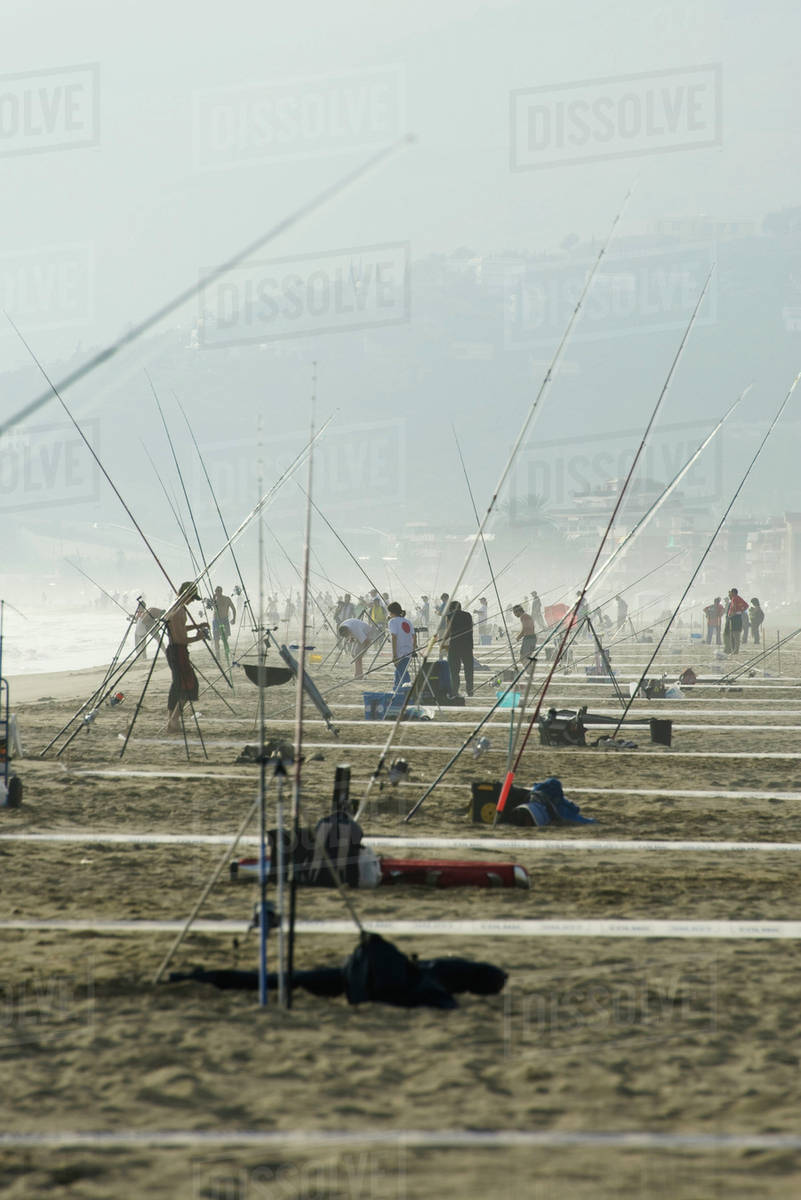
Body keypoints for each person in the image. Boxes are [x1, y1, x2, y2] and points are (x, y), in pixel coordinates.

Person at [166, 582, 208, 732]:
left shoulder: (176, 607)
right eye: (191, 597)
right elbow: (181, 639)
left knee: (177, 685)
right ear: (186, 594)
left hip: (174, 650)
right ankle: (174, 719)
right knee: (189, 685)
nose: (192, 601)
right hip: (178, 651)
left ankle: (171, 720)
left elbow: (179, 629)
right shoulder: (179, 611)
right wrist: (198, 638)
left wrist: (197, 626)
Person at [442, 600, 474, 697]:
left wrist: (442, 641)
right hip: (467, 645)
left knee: (454, 670)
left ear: (451, 608)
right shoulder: (468, 615)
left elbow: (448, 632)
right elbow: (471, 628)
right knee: (468, 669)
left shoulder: (449, 616)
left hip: (455, 646)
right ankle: (470, 690)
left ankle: (455, 691)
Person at [387, 601, 415, 692]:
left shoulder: (392, 621)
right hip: (409, 650)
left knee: (403, 673)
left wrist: (394, 655)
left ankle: (408, 691)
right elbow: (414, 636)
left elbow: (394, 637)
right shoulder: (407, 621)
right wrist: (413, 650)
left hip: (399, 651)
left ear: (391, 612)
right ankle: (396, 689)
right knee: (399, 671)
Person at [211, 586, 236, 659]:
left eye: (218, 591)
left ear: (221, 591)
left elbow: (233, 609)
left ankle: (226, 653)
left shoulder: (227, 599)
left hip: (224, 620)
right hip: (216, 620)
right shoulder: (215, 600)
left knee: (225, 638)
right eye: (216, 591)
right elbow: (212, 606)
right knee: (216, 639)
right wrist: (213, 597)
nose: (217, 593)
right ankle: (218, 654)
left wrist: (234, 619)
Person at [725, 587, 749, 654]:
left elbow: (746, 605)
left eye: (731, 593)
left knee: (736, 634)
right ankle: (734, 649)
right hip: (734, 617)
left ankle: (736, 650)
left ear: (733, 593)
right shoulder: (734, 598)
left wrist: (739, 610)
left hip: (736, 617)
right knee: (733, 633)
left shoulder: (736, 598)